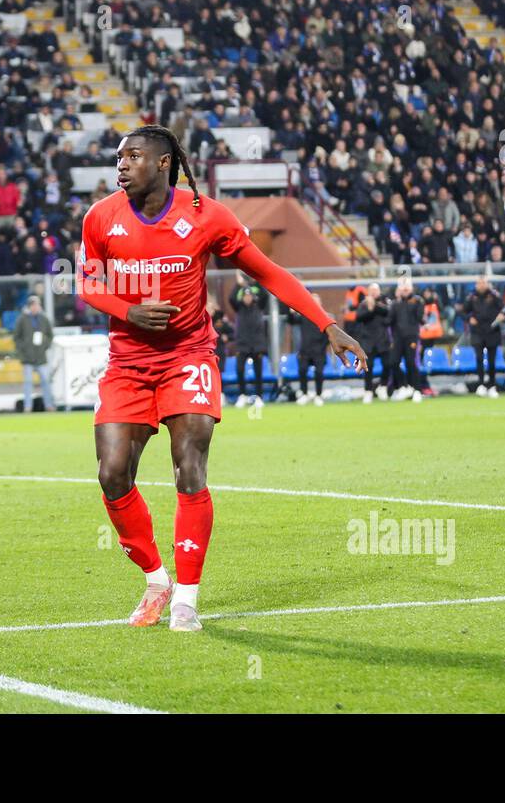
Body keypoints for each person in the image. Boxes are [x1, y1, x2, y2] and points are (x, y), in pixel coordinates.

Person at [76, 126, 365, 631]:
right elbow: (86, 283)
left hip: (188, 357)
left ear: (164, 163)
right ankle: (155, 580)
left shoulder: (206, 216)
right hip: (127, 364)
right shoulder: (101, 217)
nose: (121, 165)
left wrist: (328, 324)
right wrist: (130, 311)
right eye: (119, 158)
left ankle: (186, 597)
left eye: (133, 156)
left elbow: (268, 270)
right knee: (112, 473)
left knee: (190, 465)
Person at [13, 295, 56, 412]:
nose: (36, 307)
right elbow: (16, 337)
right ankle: (28, 406)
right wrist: (23, 349)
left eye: (37, 305)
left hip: (41, 357)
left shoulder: (44, 319)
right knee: (28, 383)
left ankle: (49, 405)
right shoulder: (22, 319)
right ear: (29, 306)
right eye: (33, 305)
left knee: (46, 382)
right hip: (27, 358)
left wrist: (45, 345)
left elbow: (50, 335)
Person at [352, 282, 393, 404]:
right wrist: (370, 310)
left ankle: (383, 387)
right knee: (367, 366)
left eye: (376, 290)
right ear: (368, 292)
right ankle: (368, 391)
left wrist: (374, 306)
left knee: (388, 364)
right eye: (372, 290)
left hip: (383, 340)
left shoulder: (385, 301)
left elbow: (388, 313)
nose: (374, 292)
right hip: (368, 341)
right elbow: (358, 317)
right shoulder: (363, 304)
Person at [464, 276, 504, 398]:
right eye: (479, 283)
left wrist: (502, 315)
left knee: (492, 361)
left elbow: (504, 308)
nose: (481, 285)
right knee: (479, 358)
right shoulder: (471, 297)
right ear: (476, 285)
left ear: (487, 284)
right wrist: (469, 318)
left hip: (492, 331)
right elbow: (463, 311)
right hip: (477, 332)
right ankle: (481, 385)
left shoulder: (494, 295)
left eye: (483, 283)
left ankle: (492, 386)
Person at [389, 278, 425, 402]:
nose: (405, 290)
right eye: (402, 288)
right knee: (393, 362)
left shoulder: (417, 301)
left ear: (411, 288)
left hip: (411, 336)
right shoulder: (395, 303)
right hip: (398, 337)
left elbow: (420, 318)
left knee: (411, 363)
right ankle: (404, 386)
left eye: (407, 288)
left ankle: (417, 389)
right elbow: (389, 320)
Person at [233, 286, 269, 406]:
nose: (247, 298)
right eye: (245, 296)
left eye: (249, 296)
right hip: (242, 345)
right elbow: (231, 298)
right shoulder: (239, 308)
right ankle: (242, 395)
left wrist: (256, 281)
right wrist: (238, 284)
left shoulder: (259, 306)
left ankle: (259, 396)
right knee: (239, 370)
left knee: (258, 372)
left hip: (256, 345)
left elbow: (265, 295)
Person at [295, 293, 329, 406]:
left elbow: (329, 336)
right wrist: (291, 311)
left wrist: (322, 347)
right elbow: (291, 320)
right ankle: (304, 394)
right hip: (305, 350)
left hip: (319, 351)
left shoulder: (325, 316)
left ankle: (318, 395)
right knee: (302, 370)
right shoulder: (304, 315)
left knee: (319, 372)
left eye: (316, 301)